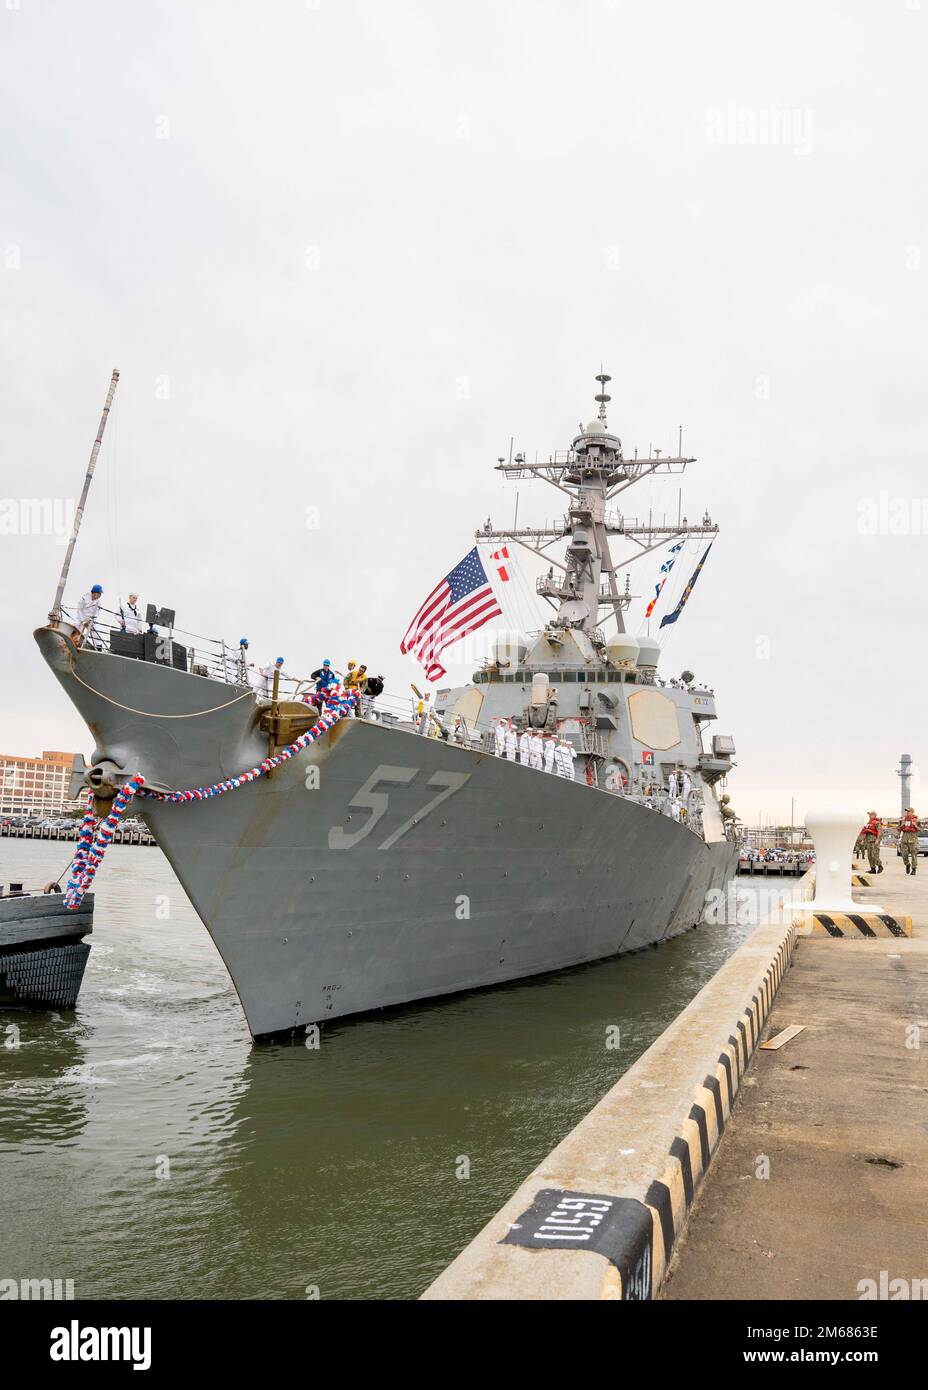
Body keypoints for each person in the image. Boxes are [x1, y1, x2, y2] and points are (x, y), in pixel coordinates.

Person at [899, 807, 920, 876]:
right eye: (907, 811)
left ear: (912, 812)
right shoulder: (903, 819)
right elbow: (898, 829)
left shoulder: (916, 820)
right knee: (904, 854)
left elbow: (921, 829)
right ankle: (907, 864)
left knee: (914, 855)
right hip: (904, 839)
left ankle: (914, 869)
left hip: (913, 840)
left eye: (909, 811)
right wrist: (901, 825)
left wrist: (916, 826)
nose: (907, 812)